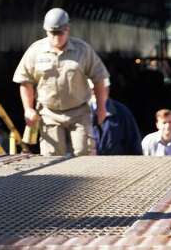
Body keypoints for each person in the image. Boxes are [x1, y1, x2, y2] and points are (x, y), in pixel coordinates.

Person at [13, 8, 110, 156]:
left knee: (85, 153)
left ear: (68, 29)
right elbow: (25, 81)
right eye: (53, 33)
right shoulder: (35, 51)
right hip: (49, 113)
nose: (56, 37)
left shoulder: (82, 50)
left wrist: (102, 108)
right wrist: (28, 109)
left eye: (60, 33)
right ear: (46, 31)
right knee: (52, 156)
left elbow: (100, 78)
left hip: (78, 112)